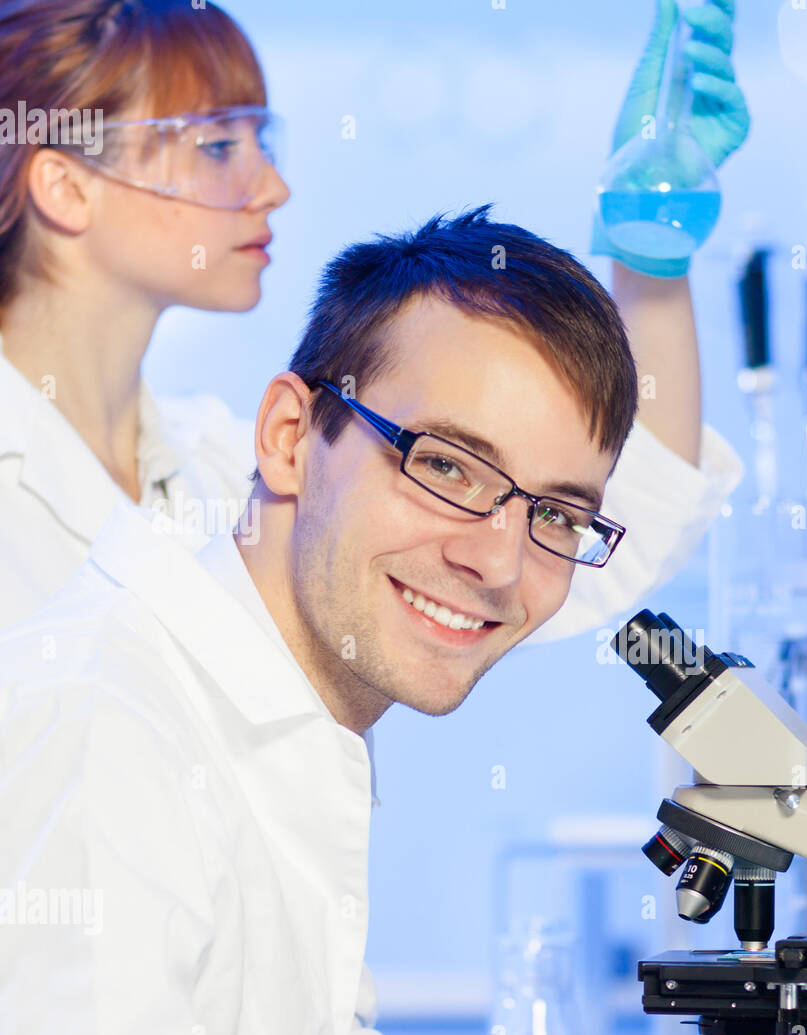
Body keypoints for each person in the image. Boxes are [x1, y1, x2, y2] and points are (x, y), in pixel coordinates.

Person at [0, 208, 807, 1035]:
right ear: (291, 438)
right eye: (446, 465)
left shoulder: (290, 719)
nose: (496, 558)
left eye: (556, 514)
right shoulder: (107, 720)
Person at [0, 0, 747, 637]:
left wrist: (649, 243)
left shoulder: (221, 468)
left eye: (263, 142)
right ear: (66, 187)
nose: (273, 186)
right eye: (218, 145)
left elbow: (586, 531)